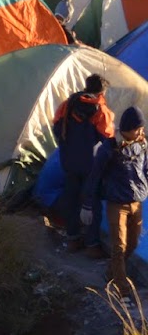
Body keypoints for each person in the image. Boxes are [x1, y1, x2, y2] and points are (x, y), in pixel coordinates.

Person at [87, 106, 148, 294]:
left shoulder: (142, 144)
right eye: (137, 128)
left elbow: (145, 168)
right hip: (116, 203)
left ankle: (110, 272)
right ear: (127, 128)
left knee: (133, 244)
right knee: (119, 246)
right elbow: (94, 176)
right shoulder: (109, 147)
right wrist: (87, 204)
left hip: (136, 201)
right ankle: (122, 288)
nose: (140, 131)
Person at [55, 74, 114, 254]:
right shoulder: (101, 110)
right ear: (102, 91)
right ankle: (92, 244)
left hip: (69, 160)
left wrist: (67, 147)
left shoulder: (68, 104)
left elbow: (57, 126)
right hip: (91, 165)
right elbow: (107, 138)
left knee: (71, 198)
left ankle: (72, 238)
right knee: (92, 203)